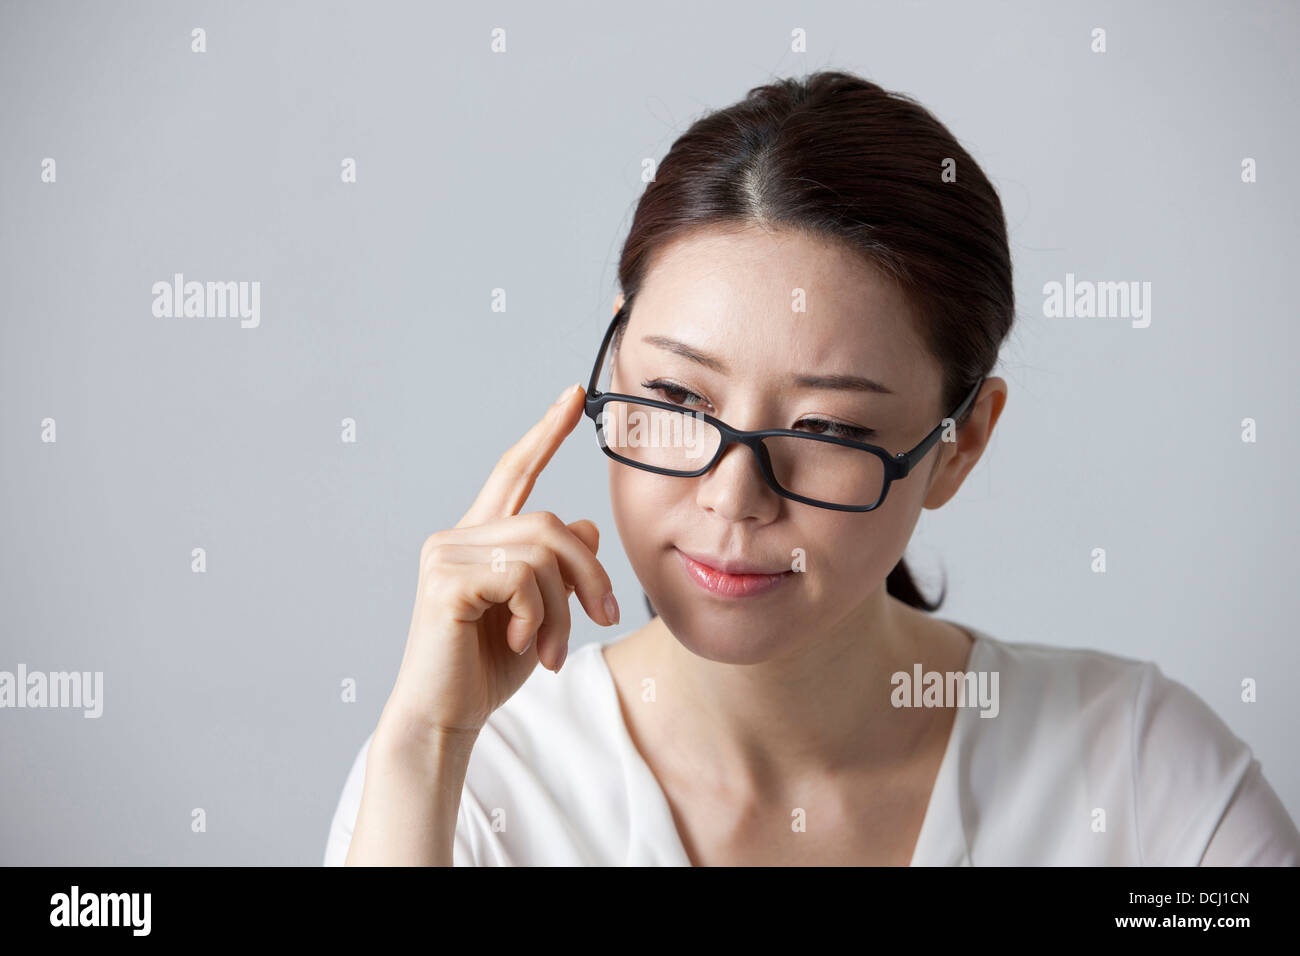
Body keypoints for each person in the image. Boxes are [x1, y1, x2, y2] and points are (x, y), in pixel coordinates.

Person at [324, 70, 1300, 866]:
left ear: (959, 443)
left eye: (828, 429)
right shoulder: (470, 780)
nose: (731, 497)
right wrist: (418, 748)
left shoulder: (1141, 778)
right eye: (673, 400)